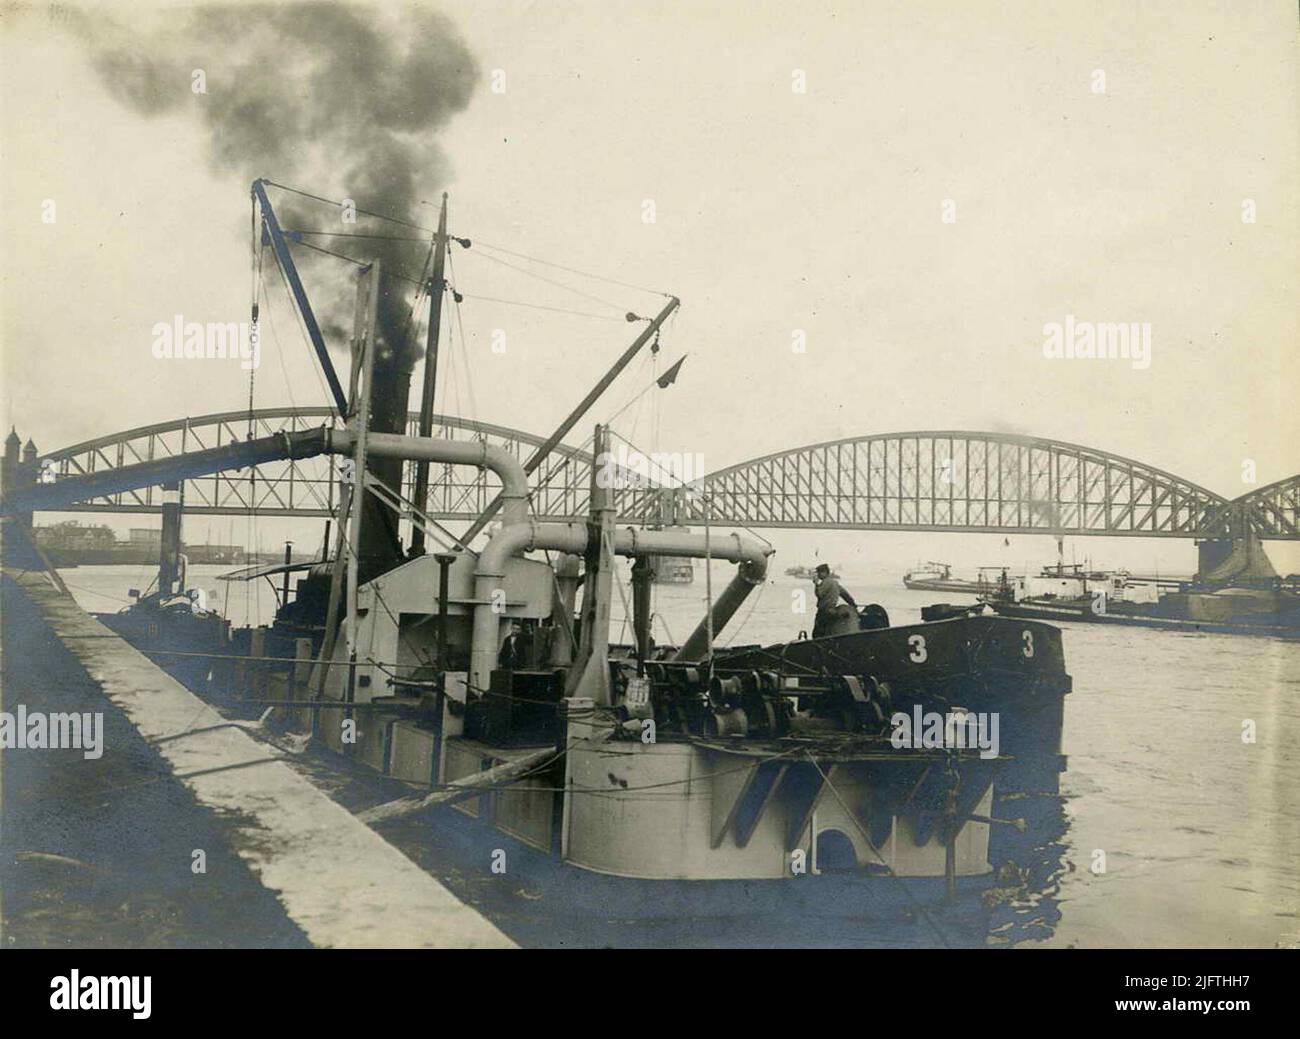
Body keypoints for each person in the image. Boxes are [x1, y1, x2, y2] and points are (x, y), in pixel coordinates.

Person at [812, 563, 857, 637]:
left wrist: (816, 584)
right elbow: (845, 595)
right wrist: (853, 605)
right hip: (833, 611)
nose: (818, 575)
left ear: (825, 573)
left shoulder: (825, 582)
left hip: (824, 612)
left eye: (819, 572)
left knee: (817, 634)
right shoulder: (835, 583)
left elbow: (819, 594)